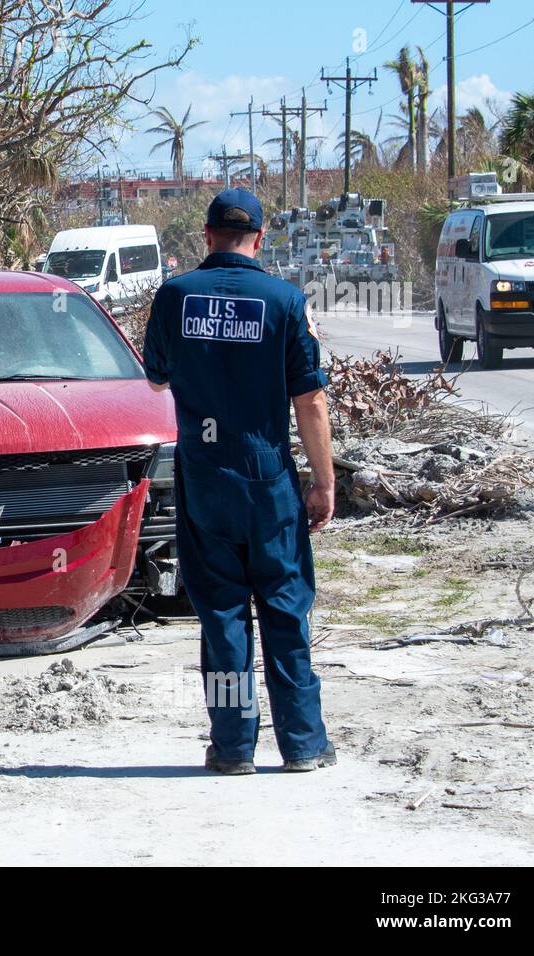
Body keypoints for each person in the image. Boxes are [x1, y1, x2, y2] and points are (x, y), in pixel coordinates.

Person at [142, 187, 336, 775]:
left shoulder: (175, 296)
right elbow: (311, 402)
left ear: (206, 236)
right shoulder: (284, 300)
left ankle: (232, 747)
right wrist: (323, 482)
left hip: (205, 477)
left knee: (222, 616)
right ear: (261, 235)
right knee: (283, 607)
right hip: (268, 475)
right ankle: (302, 744)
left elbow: (155, 381)